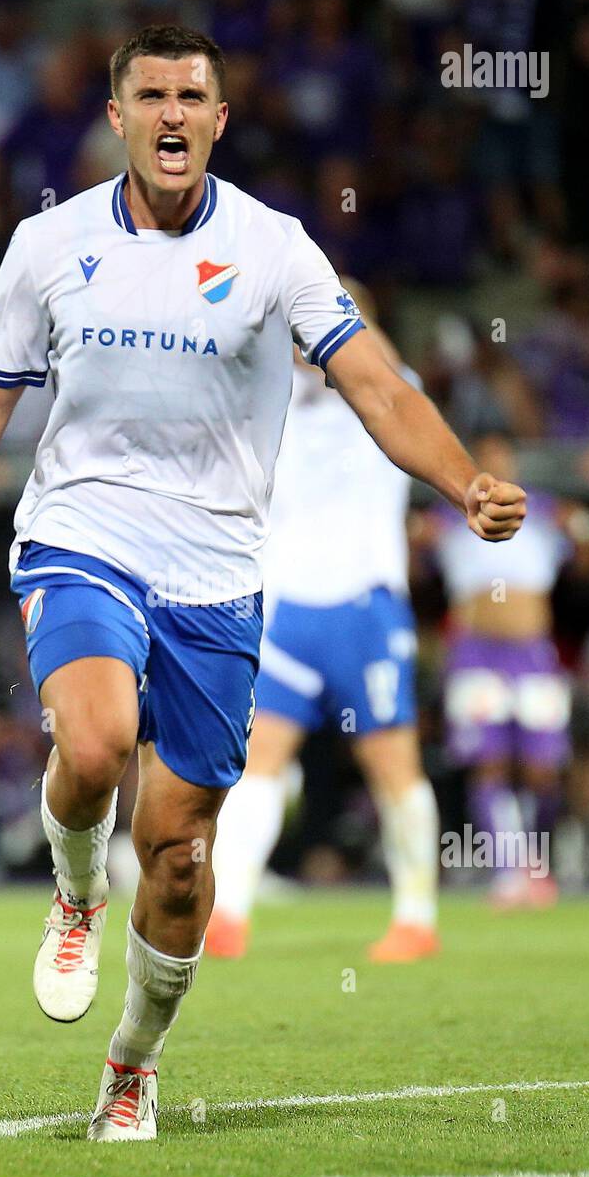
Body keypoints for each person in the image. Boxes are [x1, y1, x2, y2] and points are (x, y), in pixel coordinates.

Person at [0, 25, 526, 1143]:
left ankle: (133, 1064)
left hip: (219, 576)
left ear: (217, 118)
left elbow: (374, 386)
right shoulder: (48, 246)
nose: (169, 115)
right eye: (148, 94)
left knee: (184, 857)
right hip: (80, 539)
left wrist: (461, 481)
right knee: (93, 744)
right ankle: (72, 894)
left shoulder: (276, 249)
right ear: (115, 115)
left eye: (190, 97)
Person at [207, 284, 440, 962]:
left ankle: (416, 917)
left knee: (391, 763)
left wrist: (334, 305)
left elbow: (386, 366)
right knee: (258, 763)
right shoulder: (276, 409)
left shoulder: (391, 398)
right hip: (285, 613)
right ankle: (230, 913)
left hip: (362, 608)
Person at [415, 432, 589, 906]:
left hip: (533, 653)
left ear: (513, 460)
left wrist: (582, 527)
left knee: (543, 768)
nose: (493, 463)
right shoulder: (452, 512)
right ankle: (508, 872)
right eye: (484, 456)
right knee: (488, 765)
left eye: (500, 455)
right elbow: (414, 553)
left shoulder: (542, 511)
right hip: (475, 652)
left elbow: (587, 560)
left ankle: (536, 861)